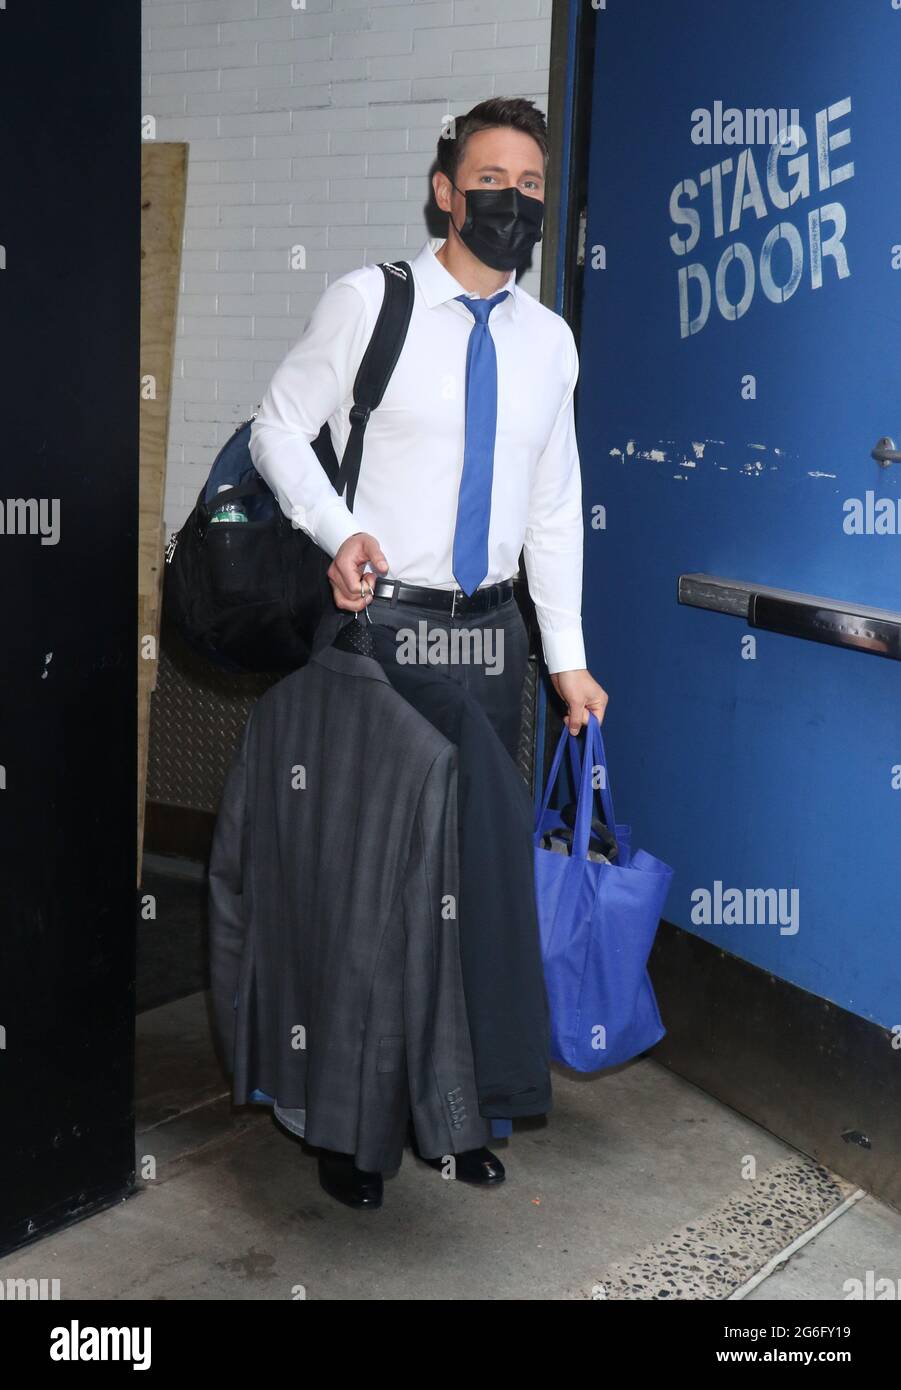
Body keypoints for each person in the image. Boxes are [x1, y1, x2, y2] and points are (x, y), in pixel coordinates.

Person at [249, 95, 608, 1208]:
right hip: (380, 633)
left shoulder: (550, 343)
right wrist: (335, 530)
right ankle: (350, 1136)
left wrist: (566, 657)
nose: (514, 199)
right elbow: (275, 427)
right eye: (491, 179)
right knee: (369, 900)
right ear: (446, 190)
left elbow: (555, 507)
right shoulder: (372, 302)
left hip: (488, 640)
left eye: (533, 184)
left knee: (470, 883)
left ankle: (451, 1118)